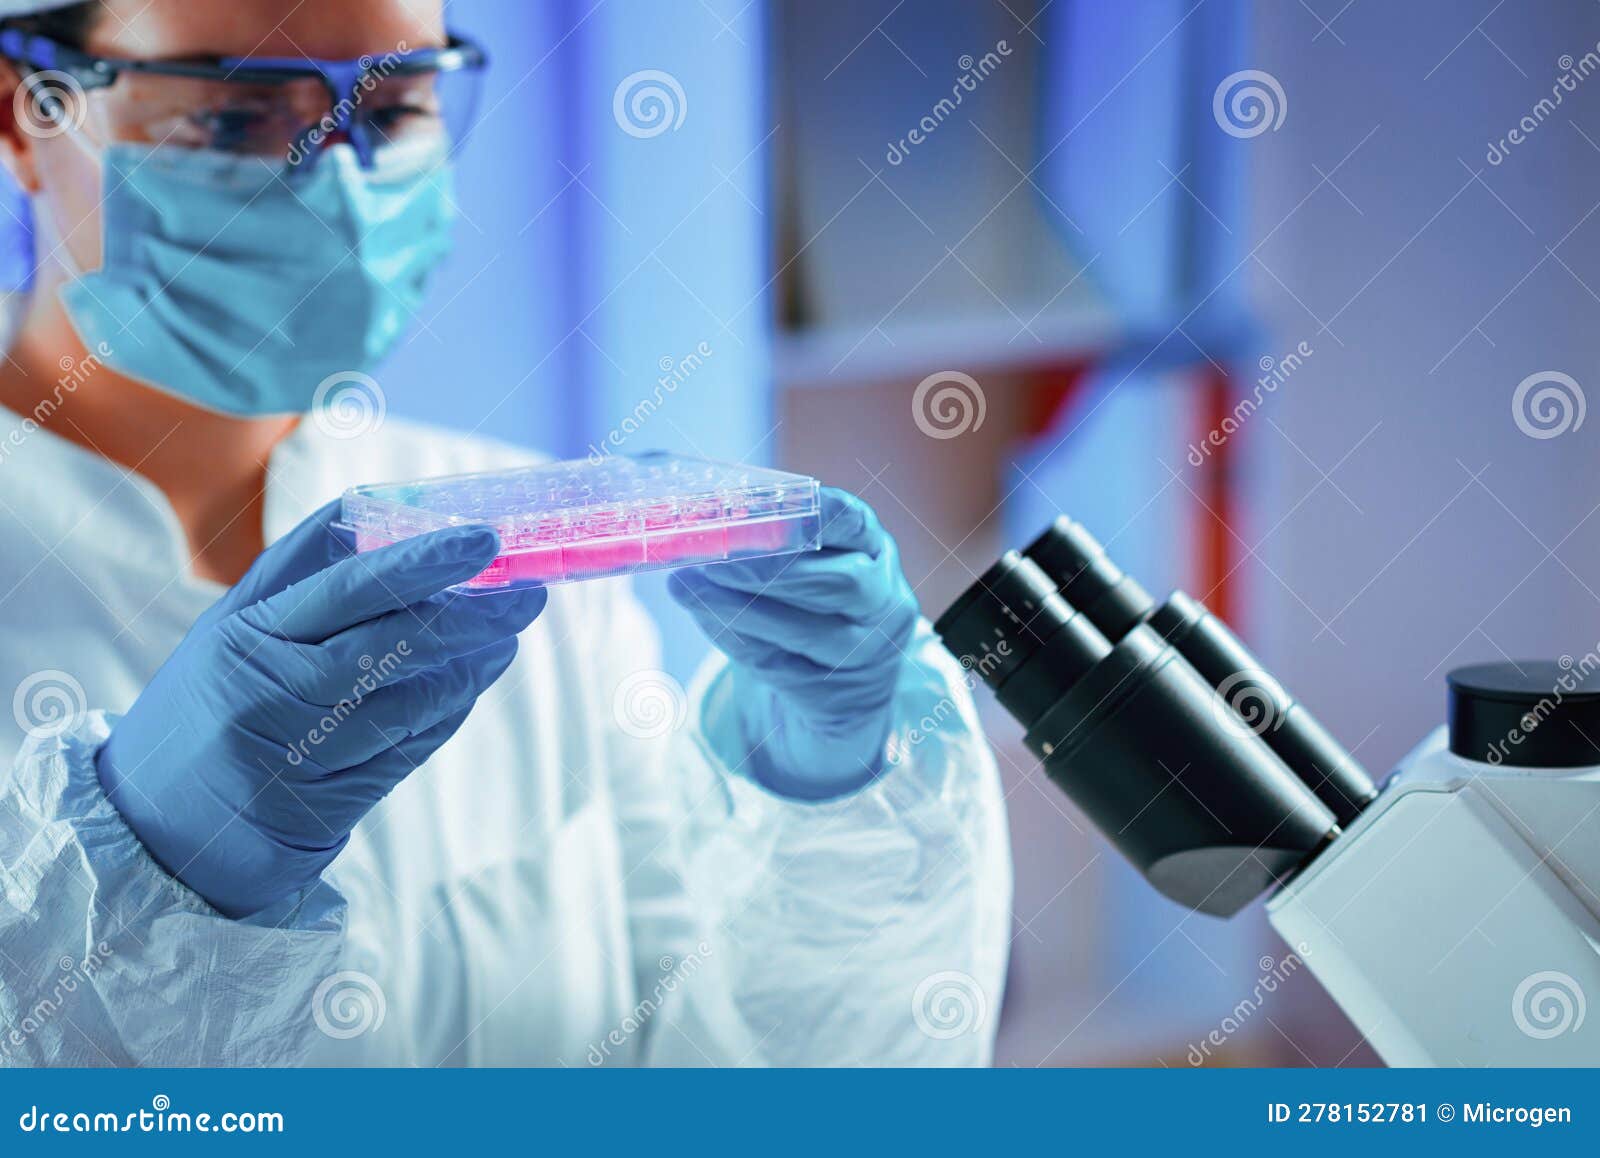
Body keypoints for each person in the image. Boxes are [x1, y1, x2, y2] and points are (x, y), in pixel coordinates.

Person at [0, 0, 1011, 1065]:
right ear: (26, 113)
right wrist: (140, 895)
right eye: (234, 116)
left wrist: (828, 813)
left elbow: (718, 1082)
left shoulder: (513, 542)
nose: (335, 180)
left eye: (392, 110)